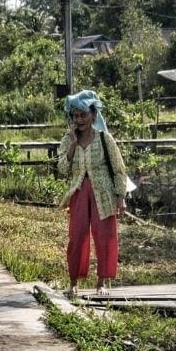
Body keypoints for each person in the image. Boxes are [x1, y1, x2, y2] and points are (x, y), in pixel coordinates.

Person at [57, 90, 127, 297]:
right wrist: (71, 144)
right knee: (77, 236)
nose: (79, 120)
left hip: (103, 194)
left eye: (83, 115)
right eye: (75, 116)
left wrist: (120, 197)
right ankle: (73, 283)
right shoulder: (67, 140)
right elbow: (62, 169)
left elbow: (119, 169)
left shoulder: (105, 139)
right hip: (79, 192)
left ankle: (102, 282)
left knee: (105, 237)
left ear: (93, 115)